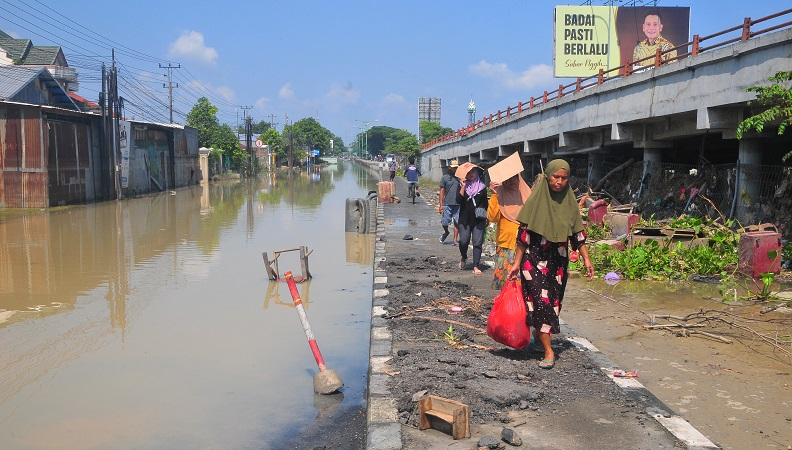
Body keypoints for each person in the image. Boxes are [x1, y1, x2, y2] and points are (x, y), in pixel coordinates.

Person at [506, 159, 594, 369]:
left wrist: (586, 259)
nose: (560, 182)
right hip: (533, 261)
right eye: (556, 177)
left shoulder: (569, 201)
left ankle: (538, 338)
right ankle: (549, 351)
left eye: (564, 178)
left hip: (558, 262)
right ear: (548, 176)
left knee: (553, 304)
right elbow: (523, 236)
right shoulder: (536, 201)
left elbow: (577, 234)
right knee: (541, 303)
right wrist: (516, 263)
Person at [487, 173, 531, 290]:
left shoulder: (526, 195)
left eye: (514, 177)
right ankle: (506, 306)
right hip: (505, 246)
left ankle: (520, 307)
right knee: (504, 282)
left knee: (522, 282)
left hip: (524, 246)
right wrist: (494, 195)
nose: (511, 181)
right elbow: (492, 218)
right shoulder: (499, 195)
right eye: (508, 178)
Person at [456, 164, 488, 275]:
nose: (471, 174)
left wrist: (487, 217)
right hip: (464, 219)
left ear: (476, 173)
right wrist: (463, 186)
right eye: (468, 173)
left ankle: (476, 265)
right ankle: (464, 257)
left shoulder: (482, 187)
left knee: (477, 243)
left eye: (472, 172)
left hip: (479, 219)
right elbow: (458, 200)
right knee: (464, 241)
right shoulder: (461, 186)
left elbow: (486, 204)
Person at [438, 159, 461, 245]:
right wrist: (441, 204)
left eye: (456, 167)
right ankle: (446, 232)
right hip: (447, 203)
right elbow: (442, 192)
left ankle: (455, 240)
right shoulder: (445, 178)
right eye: (453, 168)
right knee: (445, 222)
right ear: (449, 167)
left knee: (457, 222)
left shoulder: (460, 178)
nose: (455, 169)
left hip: (458, 204)